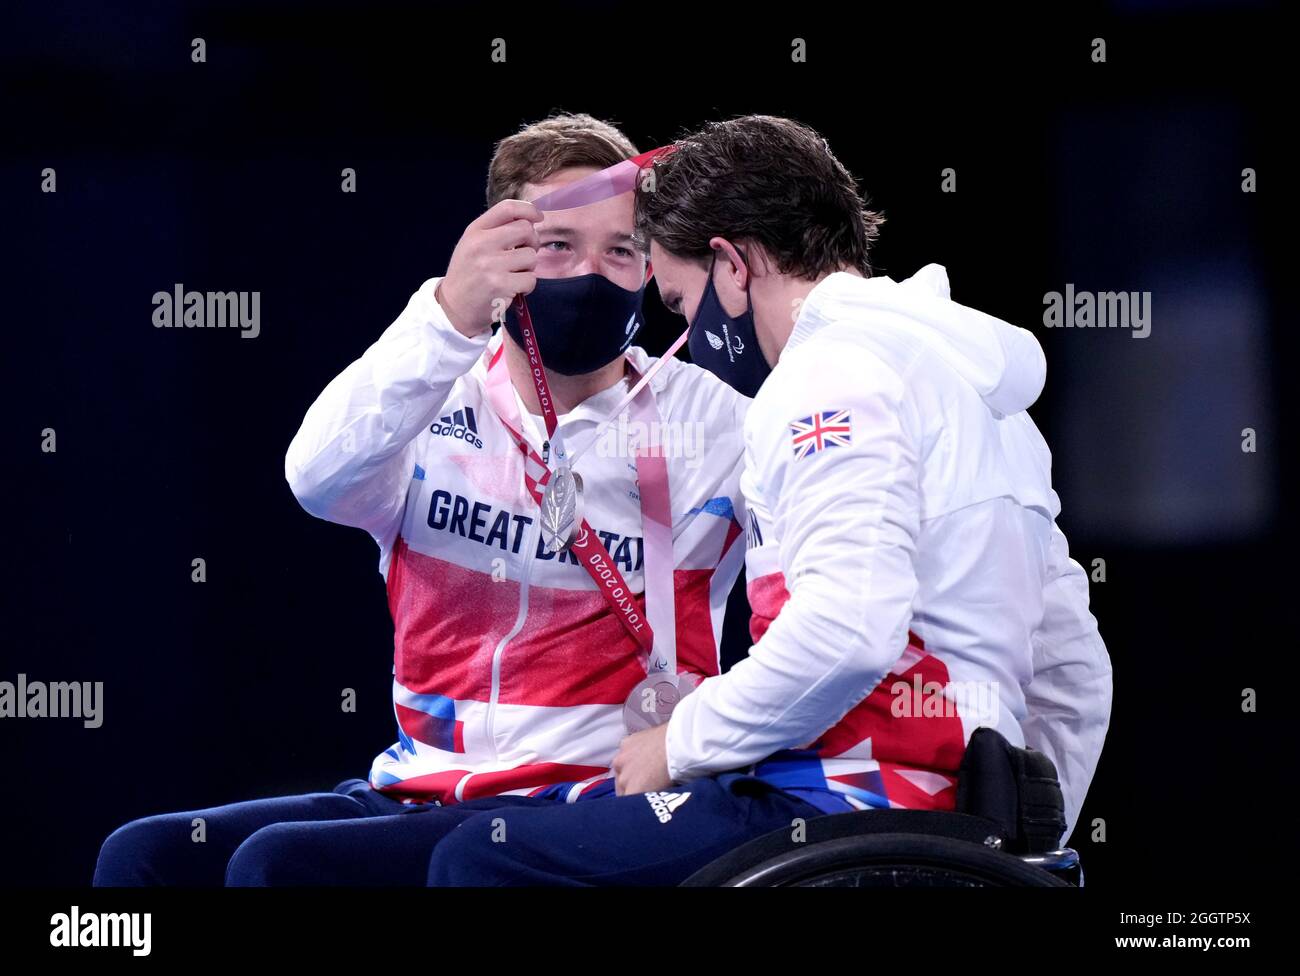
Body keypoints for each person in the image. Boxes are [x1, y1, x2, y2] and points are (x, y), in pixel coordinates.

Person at [424, 115, 1111, 886]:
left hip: (834, 806)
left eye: (683, 306)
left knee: (486, 856)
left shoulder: (825, 378)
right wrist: (1010, 858)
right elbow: (1072, 673)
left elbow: (849, 629)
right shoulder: (990, 402)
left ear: (731, 266)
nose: (689, 332)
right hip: (945, 823)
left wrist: (680, 742)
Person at [92, 114, 751, 886]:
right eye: (557, 246)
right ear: (500, 253)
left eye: (621, 251)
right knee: (143, 857)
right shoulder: (430, 394)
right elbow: (315, 478)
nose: (590, 274)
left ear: (652, 268)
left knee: (280, 868)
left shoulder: (709, 416)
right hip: (421, 786)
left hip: (594, 796)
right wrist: (446, 315)